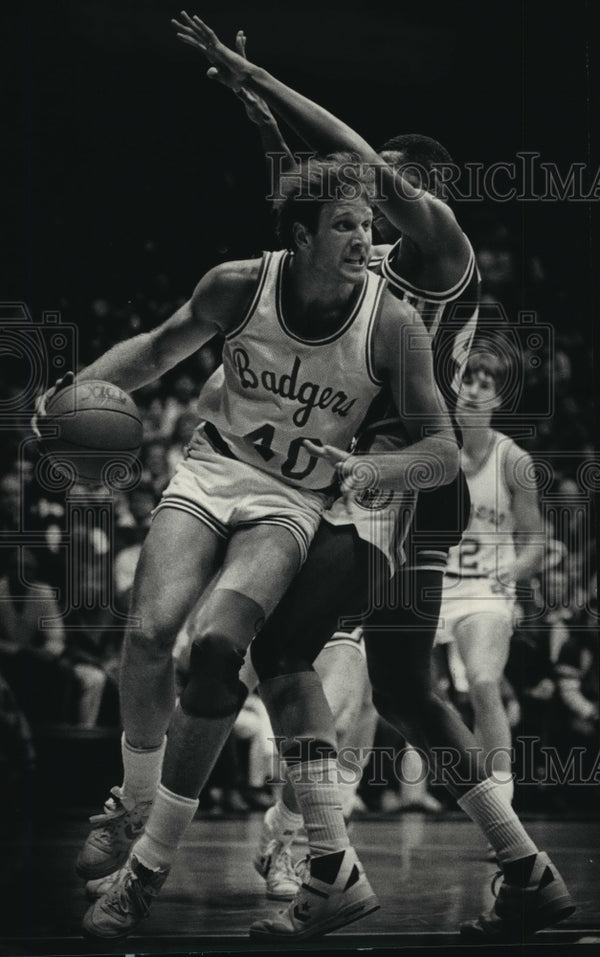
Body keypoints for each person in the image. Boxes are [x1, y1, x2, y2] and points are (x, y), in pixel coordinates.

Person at [169, 15, 575, 943]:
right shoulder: (369, 258)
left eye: (377, 181)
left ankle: (325, 867)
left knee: (272, 650)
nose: (360, 194)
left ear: (414, 187)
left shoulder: (441, 247)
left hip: (397, 479)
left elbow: (345, 157)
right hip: (397, 485)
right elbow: (303, 204)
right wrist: (256, 115)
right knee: (405, 691)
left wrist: (261, 75)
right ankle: (527, 869)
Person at [35, 152, 459, 939]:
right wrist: (69, 400)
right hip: (212, 470)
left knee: (216, 642)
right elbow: (159, 348)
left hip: (292, 503)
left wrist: (372, 466)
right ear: (299, 237)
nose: (365, 239)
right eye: (344, 224)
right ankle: (132, 799)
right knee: (150, 630)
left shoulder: (392, 324)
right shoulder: (239, 284)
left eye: (368, 224)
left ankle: (196, 853)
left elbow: (441, 448)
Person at [435, 346, 545, 806]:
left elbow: (537, 538)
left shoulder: (513, 461)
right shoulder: (433, 449)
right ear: (455, 389)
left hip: (484, 590)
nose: (474, 390)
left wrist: (513, 571)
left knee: (482, 681)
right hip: (429, 587)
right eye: (469, 380)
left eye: (486, 384)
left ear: (497, 400)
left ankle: (500, 807)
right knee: (378, 692)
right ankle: (338, 805)